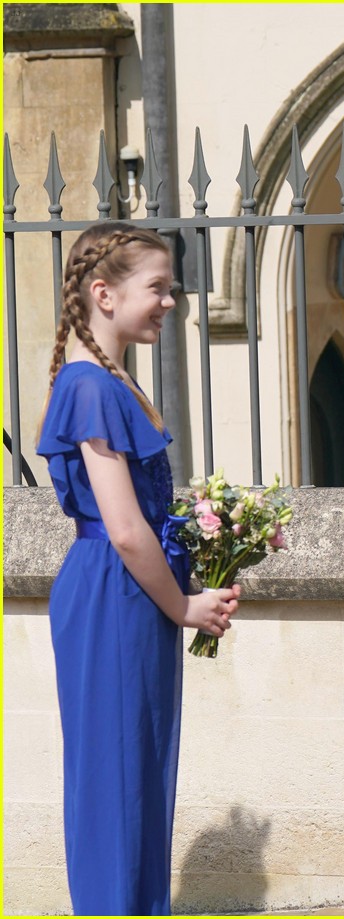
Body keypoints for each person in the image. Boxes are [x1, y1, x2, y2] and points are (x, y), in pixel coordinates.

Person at [36, 222, 240, 914]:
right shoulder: (92, 386)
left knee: (139, 773)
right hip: (113, 592)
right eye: (158, 286)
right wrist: (184, 604)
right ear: (104, 293)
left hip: (129, 594)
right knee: (116, 777)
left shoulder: (111, 381)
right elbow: (124, 528)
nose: (171, 301)